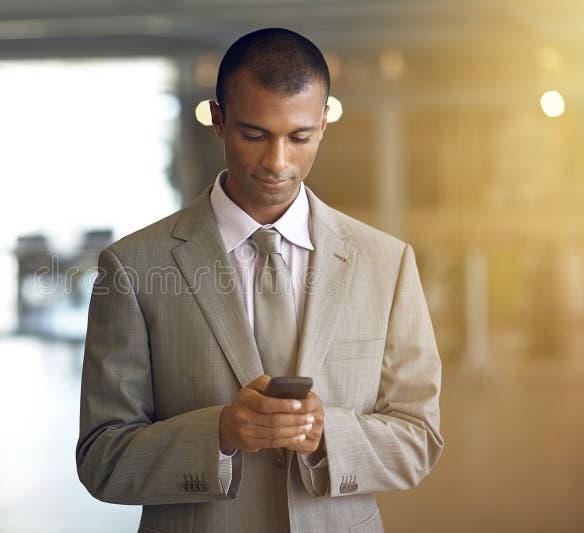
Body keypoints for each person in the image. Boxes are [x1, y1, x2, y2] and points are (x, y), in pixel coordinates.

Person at [77, 28, 443, 533]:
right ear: (219, 119)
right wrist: (221, 433)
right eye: (255, 135)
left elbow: (419, 437)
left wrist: (324, 434)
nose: (277, 162)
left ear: (323, 122)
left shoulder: (387, 262)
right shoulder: (133, 266)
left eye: (299, 137)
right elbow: (103, 457)